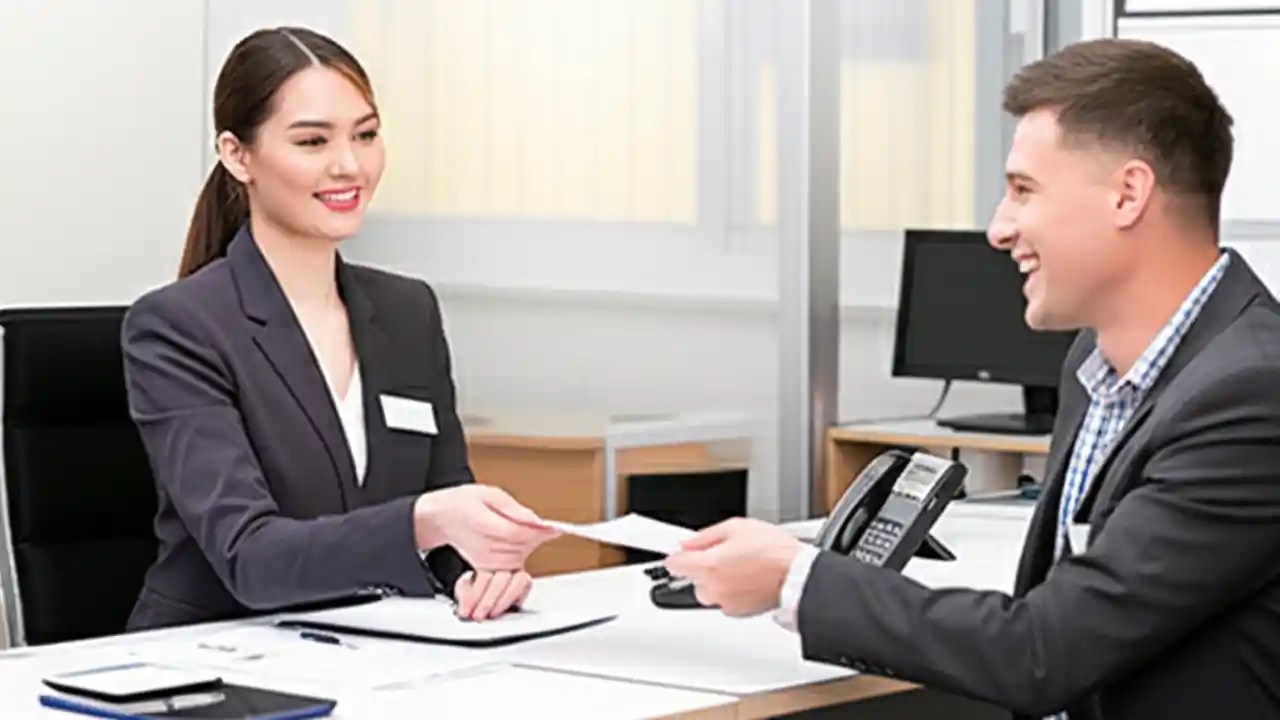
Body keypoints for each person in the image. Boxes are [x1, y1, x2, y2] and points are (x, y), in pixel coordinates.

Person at [666, 38, 1280, 719]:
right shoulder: (1094, 365)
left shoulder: (1252, 394)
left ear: (1128, 194)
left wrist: (794, 579)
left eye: (1023, 190)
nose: (997, 228)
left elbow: (1045, 649)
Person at [122, 27, 558, 632]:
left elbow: (445, 497)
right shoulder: (177, 329)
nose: (349, 165)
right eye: (312, 140)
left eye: (366, 135)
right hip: (211, 659)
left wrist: (476, 570)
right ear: (237, 154)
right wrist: (424, 522)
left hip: (371, 646)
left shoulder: (408, 311)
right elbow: (251, 557)